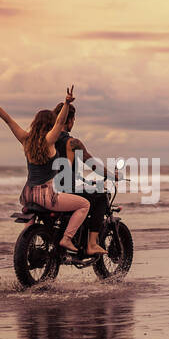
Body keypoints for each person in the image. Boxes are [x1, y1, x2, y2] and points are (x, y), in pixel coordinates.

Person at [0, 85, 88, 253]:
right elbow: (60, 122)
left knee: (31, 220)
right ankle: (66, 239)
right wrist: (66, 103)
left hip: (27, 193)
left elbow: (8, 120)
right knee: (84, 204)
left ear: (35, 123)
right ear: (50, 125)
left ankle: (27, 244)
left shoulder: (25, 139)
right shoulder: (49, 140)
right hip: (46, 195)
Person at [51, 102, 108, 256]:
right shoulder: (72, 142)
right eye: (73, 120)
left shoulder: (47, 140)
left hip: (47, 190)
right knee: (101, 197)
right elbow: (92, 163)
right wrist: (112, 175)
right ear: (69, 120)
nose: (73, 123)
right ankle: (92, 243)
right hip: (66, 191)